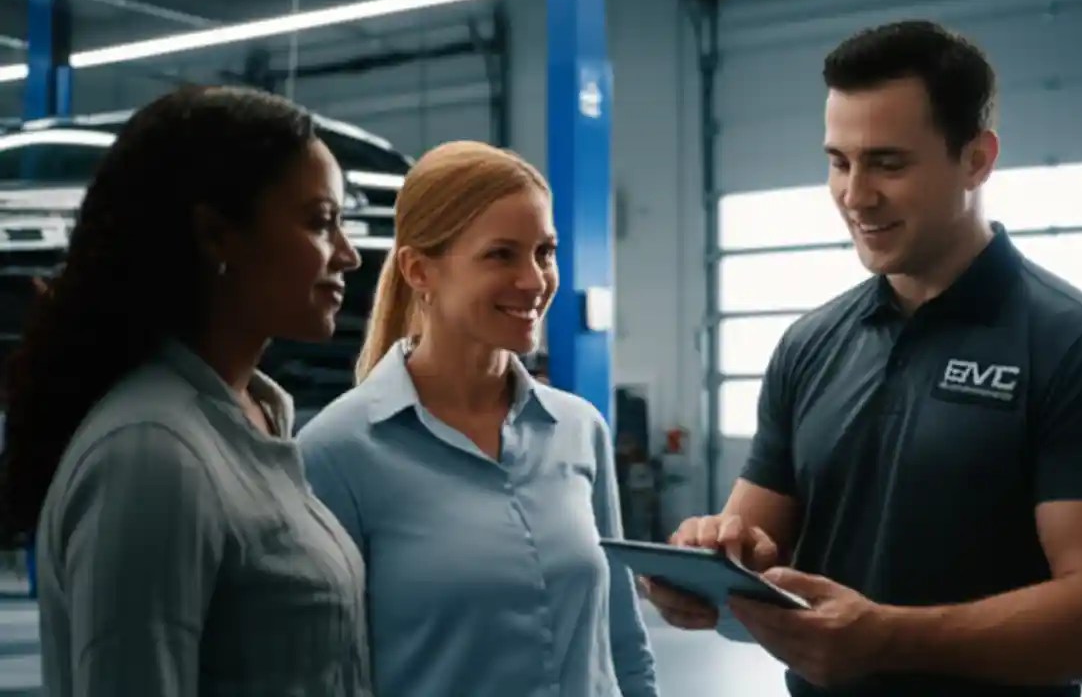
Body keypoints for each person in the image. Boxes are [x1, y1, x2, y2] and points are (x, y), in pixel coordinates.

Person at [645, 20, 1082, 697]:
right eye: (839, 161)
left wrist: (885, 637)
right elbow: (755, 541)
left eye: (888, 163)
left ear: (976, 159)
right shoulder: (811, 345)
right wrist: (708, 567)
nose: (855, 196)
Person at [1, 85, 371, 695]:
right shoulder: (152, 454)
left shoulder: (257, 418)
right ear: (217, 236)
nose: (349, 255)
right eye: (321, 222)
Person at [296, 140, 660, 697]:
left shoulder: (580, 431)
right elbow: (330, 676)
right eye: (501, 254)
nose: (536, 280)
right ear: (420, 270)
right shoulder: (337, 452)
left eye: (545, 251)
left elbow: (623, 642)